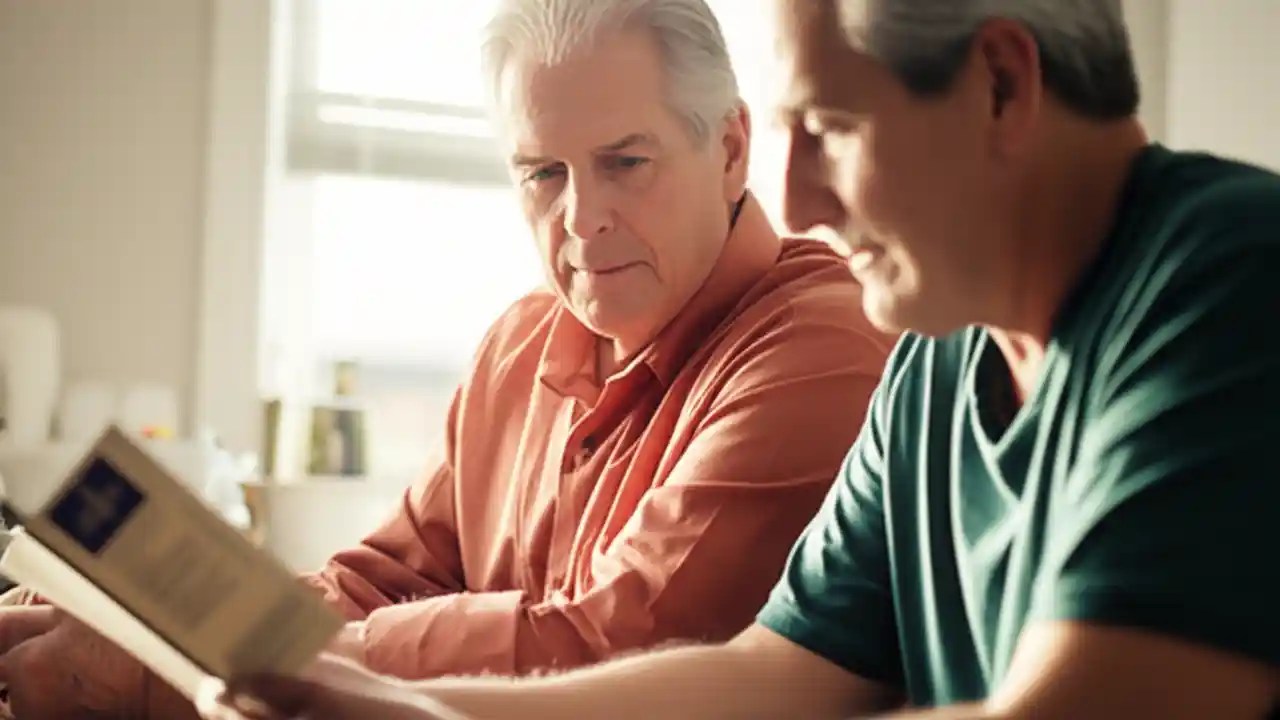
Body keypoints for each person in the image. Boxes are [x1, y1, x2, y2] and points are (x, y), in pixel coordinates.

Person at [200, 0, 1280, 717]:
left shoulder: (1231, 277)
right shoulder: (933, 363)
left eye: (833, 127)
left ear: (999, 85)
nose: (798, 199)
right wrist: (403, 709)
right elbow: (768, 677)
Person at [0, 0, 893, 717]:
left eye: (625, 163)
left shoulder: (821, 347)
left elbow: (610, 651)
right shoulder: (517, 346)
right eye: (543, 173)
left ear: (731, 149)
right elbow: (377, 583)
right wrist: (154, 622)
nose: (580, 218)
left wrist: (186, 669)